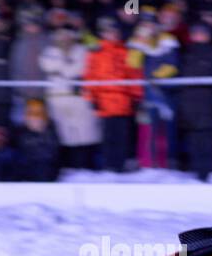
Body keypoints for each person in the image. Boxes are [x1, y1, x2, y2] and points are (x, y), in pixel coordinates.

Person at [84, 16, 142, 173]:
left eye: (115, 31)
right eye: (108, 32)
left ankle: (121, 165)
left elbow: (134, 75)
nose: (112, 35)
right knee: (108, 136)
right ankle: (109, 166)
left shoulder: (126, 51)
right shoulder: (96, 53)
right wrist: (91, 97)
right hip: (104, 101)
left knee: (123, 136)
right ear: (103, 33)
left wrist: (136, 96)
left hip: (123, 101)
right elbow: (90, 76)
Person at [38, 25, 100, 169]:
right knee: (64, 134)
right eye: (60, 35)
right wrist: (66, 67)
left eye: (67, 35)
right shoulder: (49, 51)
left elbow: (81, 68)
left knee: (85, 133)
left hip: (79, 98)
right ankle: (68, 166)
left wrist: (63, 69)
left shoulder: (82, 50)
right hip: (58, 98)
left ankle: (85, 167)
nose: (64, 38)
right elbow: (47, 65)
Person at [127, 18, 178, 170]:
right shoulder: (142, 43)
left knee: (167, 129)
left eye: (150, 25)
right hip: (148, 92)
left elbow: (172, 65)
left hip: (165, 90)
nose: (148, 28)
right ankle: (148, 162)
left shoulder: (168, 41)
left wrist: (157, 77)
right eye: (145, 26)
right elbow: (133, 63)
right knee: (148, 127)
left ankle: (168, 162)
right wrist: (139, 44)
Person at [177, 23, 212, 180]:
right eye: (195, 33)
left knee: (208, 140)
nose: (198, 36)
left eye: (201, 33)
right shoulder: (185, 53)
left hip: (208, 104)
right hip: (189, 104)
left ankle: (208, 172)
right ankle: (196, 172)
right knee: (193, 141)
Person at [12, 98, 60, 181]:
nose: (35, 117)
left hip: (46, 168)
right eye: (31, 113)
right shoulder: (20, 131)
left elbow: (54, 152)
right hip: (26, 169)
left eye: (38, 113)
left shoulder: (51, 130)